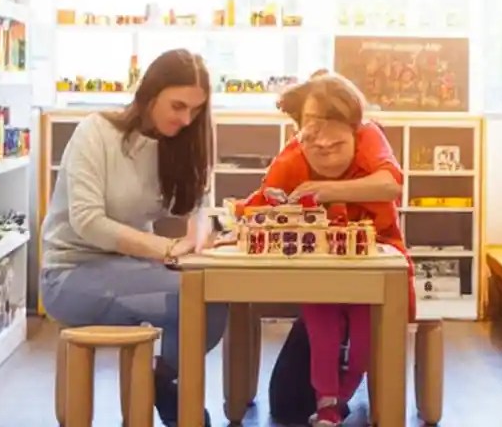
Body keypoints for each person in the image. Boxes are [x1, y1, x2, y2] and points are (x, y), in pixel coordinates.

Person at [40, 49, 227, 427]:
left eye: (194, 110)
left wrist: (200, 233)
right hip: (70, 274)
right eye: (177, 106)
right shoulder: (96, 132)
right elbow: (88, 222)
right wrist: (169, 250)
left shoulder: (178, 141)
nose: (185, 119)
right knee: (194, 298)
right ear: (150, 92)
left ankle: (162, 379)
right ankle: (169, 389)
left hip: (128, 269)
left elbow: (199, 205)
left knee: (212, 297)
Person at [238, 72, 415, 427]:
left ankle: (345, 394)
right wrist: (238, 225)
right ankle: (329, 402)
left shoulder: (368, 137)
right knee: (316, 336)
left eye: (331, 127)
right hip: (317, 267)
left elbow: (390, 184)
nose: (322, 140)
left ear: (352, 126)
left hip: (374, 261)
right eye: (311, 126)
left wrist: (326, 190)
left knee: (366, 330)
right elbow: (258, 206)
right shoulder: (292, 157)